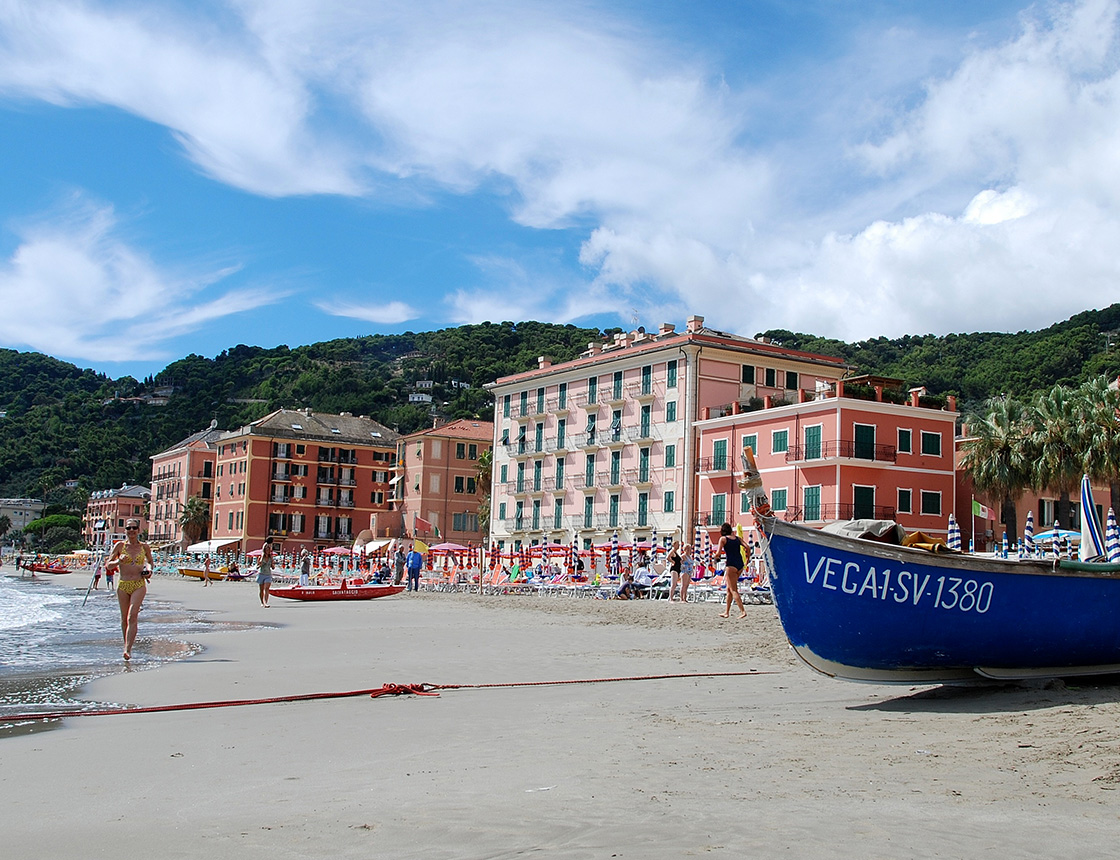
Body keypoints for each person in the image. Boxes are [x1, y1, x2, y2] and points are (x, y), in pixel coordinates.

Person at [106, 519, 153, 660]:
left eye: (134, 528)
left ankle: (128, 649)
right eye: (128, 528)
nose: (131, 530)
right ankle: (125, 644)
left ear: (138, 530)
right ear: (125, 530)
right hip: (123, 585)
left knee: (132, 615)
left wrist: (149, 570)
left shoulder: (144, 547)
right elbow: (108, 565)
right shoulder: (120, 546)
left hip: (138, 584)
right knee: (124, 618)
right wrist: (118, 561)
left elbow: (150, 562)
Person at [716, 523, 747, 619]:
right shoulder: (738, 539)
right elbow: (748, 547)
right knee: (729, 589)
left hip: (731, 565)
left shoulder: (723, 539)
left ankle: (743, 611)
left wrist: (715, 557)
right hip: (740, 565)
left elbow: (718, 553)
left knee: (733, 590)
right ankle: (726, 612)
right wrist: (748, 558)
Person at [257, 537, 275, 606]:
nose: (268, 550)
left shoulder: (271, 557)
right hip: (261, 574)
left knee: (266, 588)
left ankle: (265, 603)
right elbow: (258, 565)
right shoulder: (265, 546)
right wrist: (260, 564)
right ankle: (262, 602)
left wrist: (272, 565)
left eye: (269, 549)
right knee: (261, 590)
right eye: (267, 549)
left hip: (268, 574)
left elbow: (273, 567)